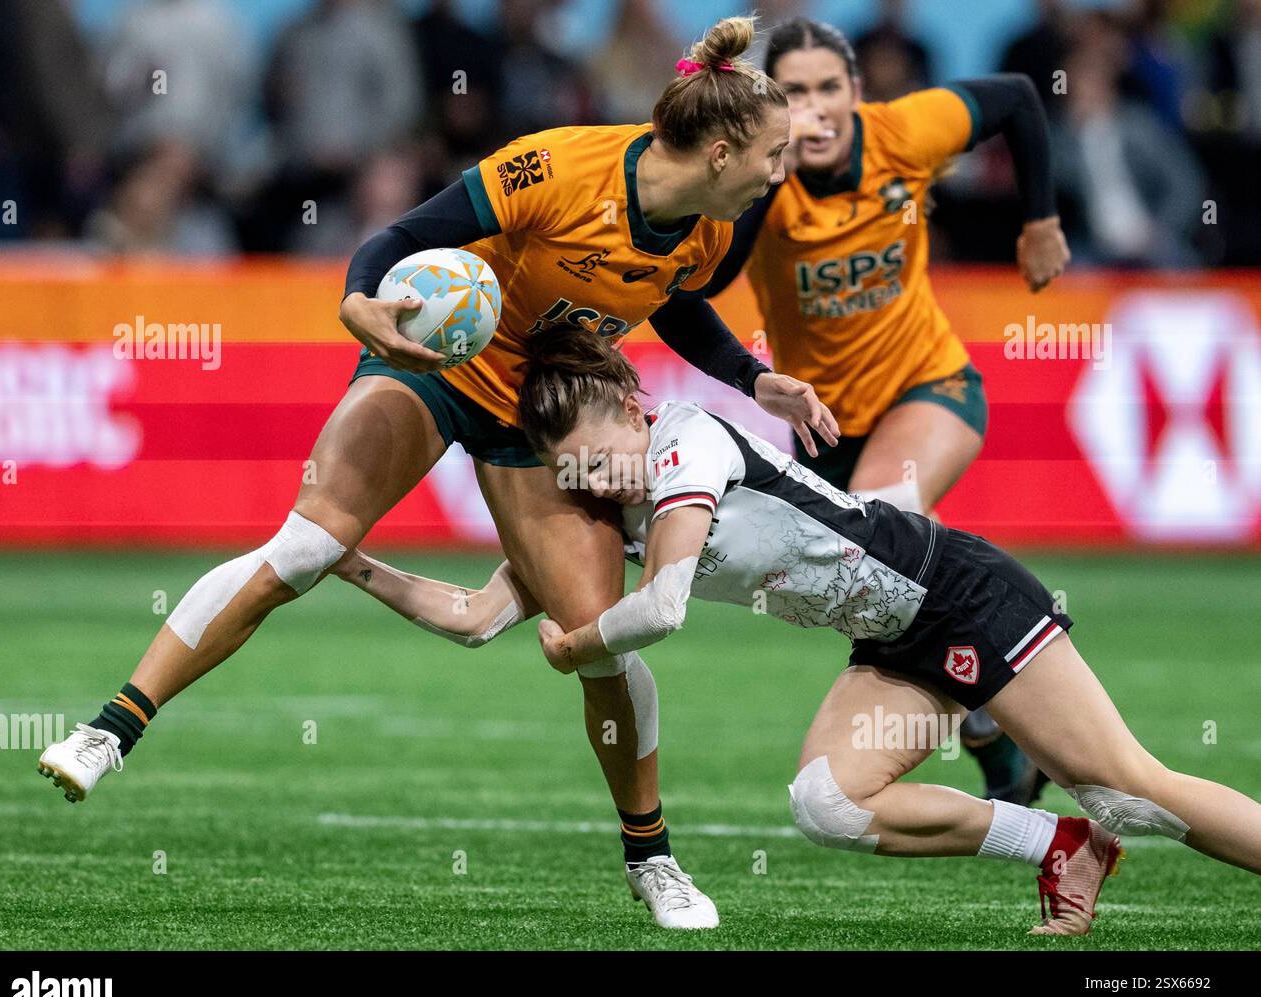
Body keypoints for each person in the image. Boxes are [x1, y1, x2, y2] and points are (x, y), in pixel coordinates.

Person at [36, 16, 838, 931]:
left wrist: (754, 377)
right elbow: (403, 236)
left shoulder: (710, 228)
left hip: (537, 416)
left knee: (602, 641)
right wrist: (360, 305)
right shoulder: (557, 167)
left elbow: (675, 302)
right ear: (722, 148)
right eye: (773, 155)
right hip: (431, 369)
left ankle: (651, 858)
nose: (782, 173)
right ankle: (111, 727)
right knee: (305, 548)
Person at [363, 323, 1261, 936]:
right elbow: (476, 617)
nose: (594, 480)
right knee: (827, 802)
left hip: (962, 593)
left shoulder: (687, 443)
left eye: (599, 456)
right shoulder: (619, 503)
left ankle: (1099, 822)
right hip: (897, 641)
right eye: (574, 473)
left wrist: (579, 646)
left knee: (1129, 789)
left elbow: (664, 606)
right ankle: (1063, 844)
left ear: (636, 405)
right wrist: (343, 559)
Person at [701, 18, 1072, 805]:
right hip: (825, 427)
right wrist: (768, 179)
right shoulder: (758, 180)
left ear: (857, 92)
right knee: (869, 591)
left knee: (887, 517)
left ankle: (1005, 702)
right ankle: (986, 724)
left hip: (928, 386)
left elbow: (1016, 99)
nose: (817, 109)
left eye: (830, 88)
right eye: (794, 93)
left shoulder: (903, 133)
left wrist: (1039, 220)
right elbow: (710, 276)